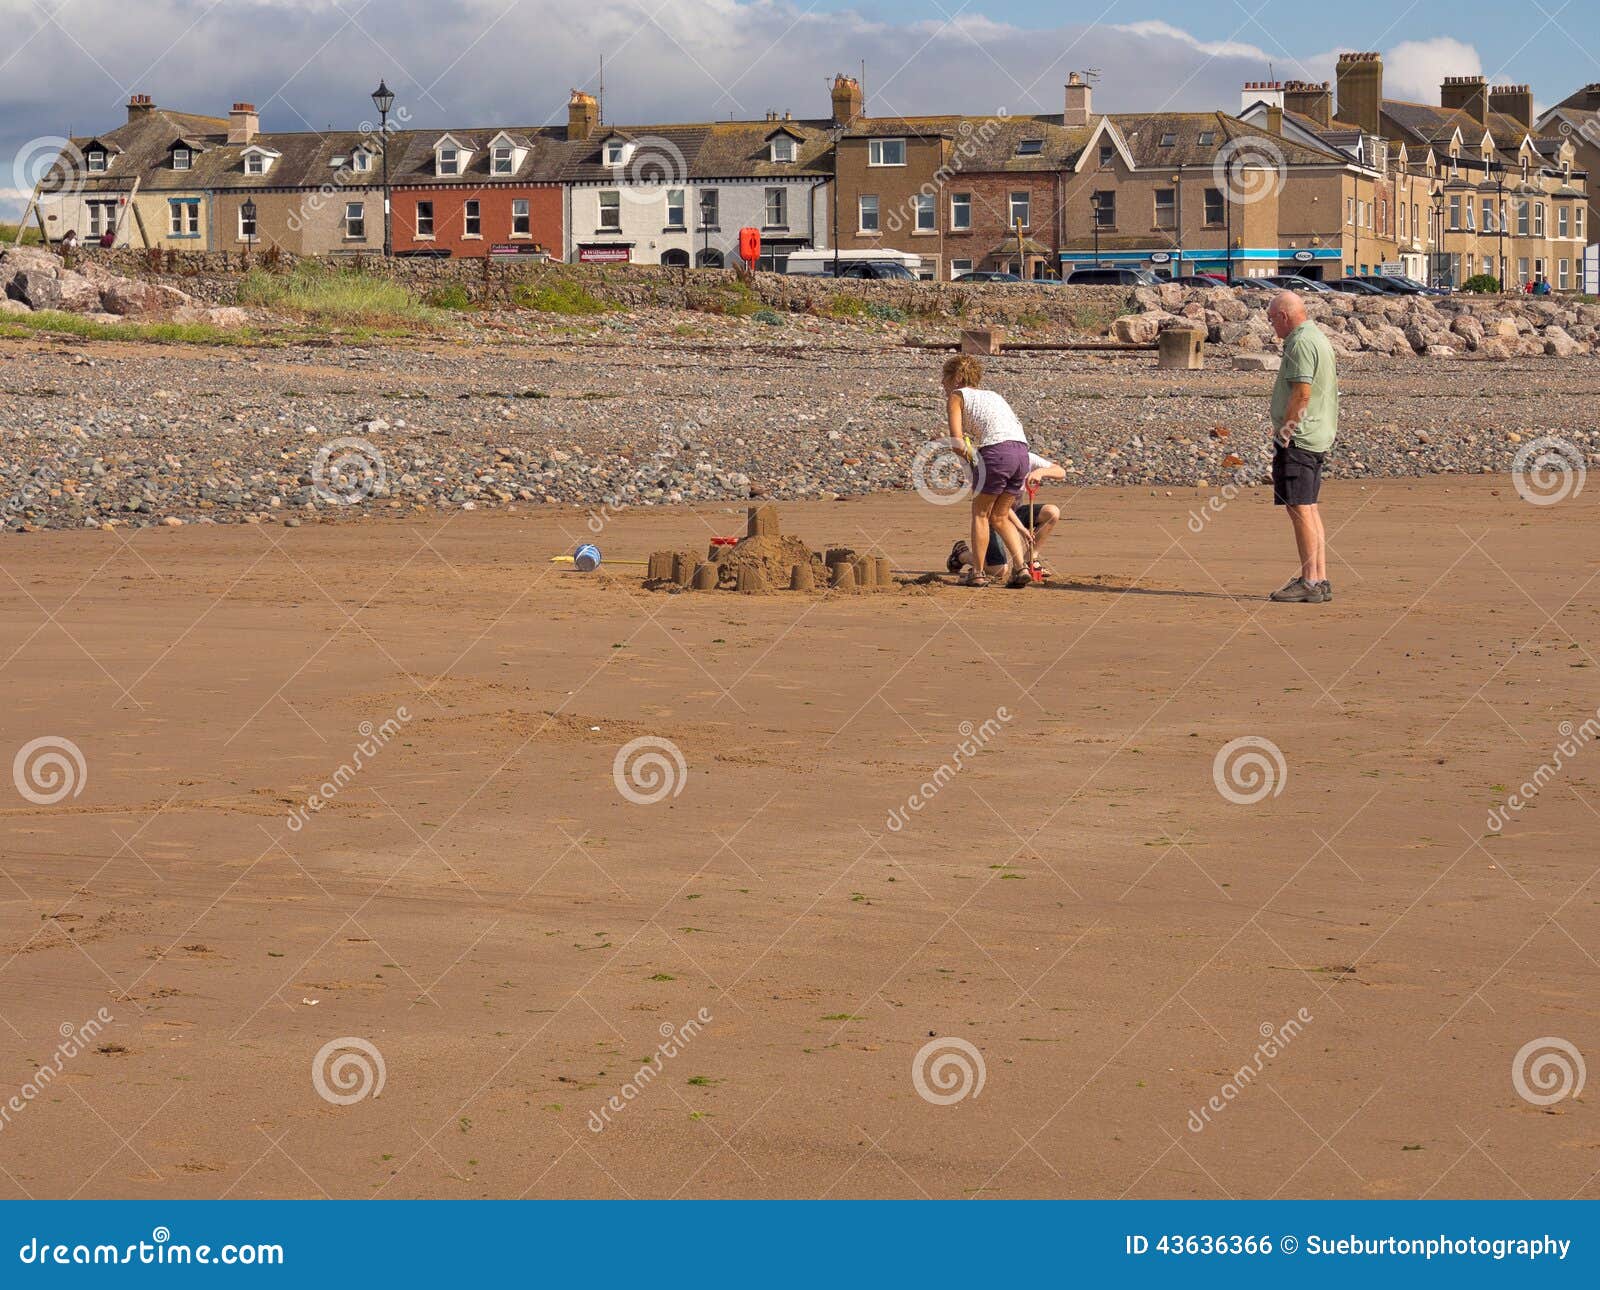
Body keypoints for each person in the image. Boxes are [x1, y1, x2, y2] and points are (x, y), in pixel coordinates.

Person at [1265, 290, 1338, 604]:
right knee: (1308, 507)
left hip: (1301, 437)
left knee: (1300, 509)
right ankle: (1318, 577)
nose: (1272, 327)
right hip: (1315, 435)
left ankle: (1310, 581)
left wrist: (1286, 432)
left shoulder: (1300, 342)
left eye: (1272, 320)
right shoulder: (1316, 337)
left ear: (1283, 315)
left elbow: (1302, 393)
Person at [941, 354, 1032, 588]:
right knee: (1000, 517)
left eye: (945, 378)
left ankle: (978, 573)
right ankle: (1021, 568)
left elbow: (957, 441)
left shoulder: (957, 396)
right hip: (1022, 453)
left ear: (957, 377)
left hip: (996, 452)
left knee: (980, 515)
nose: (943, 384)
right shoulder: (993, 396)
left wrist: (973, 463)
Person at [947, 451, 1066, 579]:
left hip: (1016, 512)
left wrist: (1040, 472)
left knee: (1052, 512)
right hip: (993, 520)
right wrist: (1021, 529)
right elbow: (1001, 507)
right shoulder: (994, 466)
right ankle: (962, 554)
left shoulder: (1027, 458)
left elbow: (1061, 472)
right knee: (999, 571)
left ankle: (1030, 559)